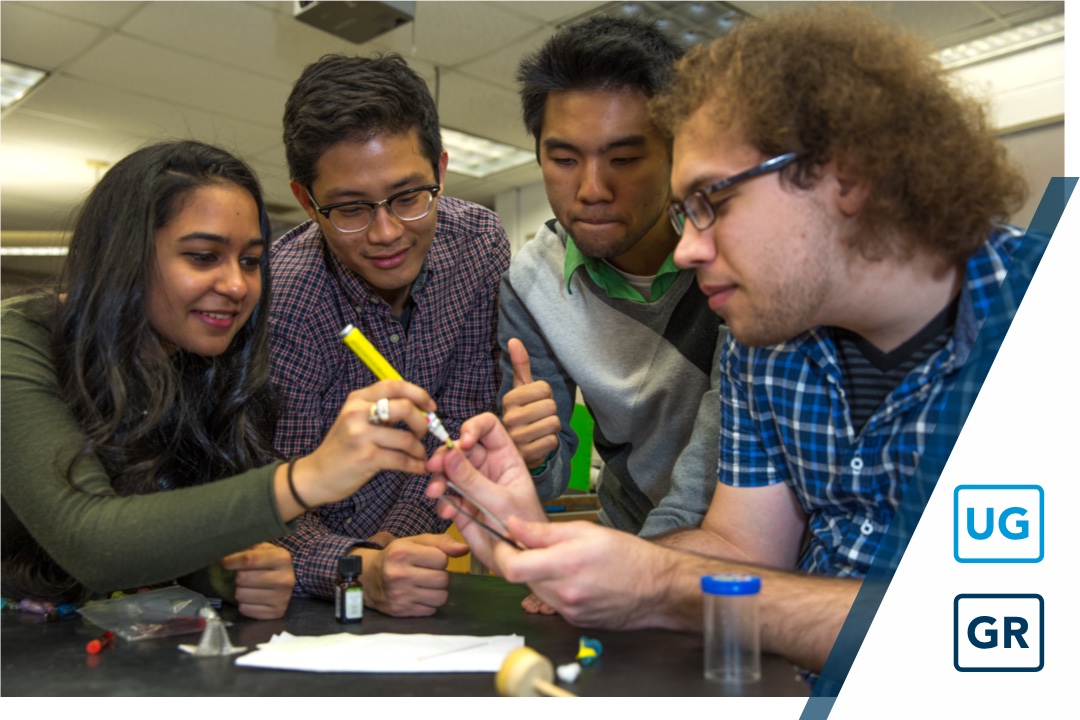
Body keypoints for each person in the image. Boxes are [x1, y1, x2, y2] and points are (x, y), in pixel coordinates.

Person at [427, 5, 1028, 673]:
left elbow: (1005, 626)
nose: (684, 249)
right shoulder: (763, 343)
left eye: (713, 200)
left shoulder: (1035, 319)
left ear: (848, 175)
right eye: (686, 211)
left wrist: (659, 583)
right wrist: (561, 551)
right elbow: (742, 546)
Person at [1, 141, 438, 619]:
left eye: (250, 261)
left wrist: (228, 572)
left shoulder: (200, 365)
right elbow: (93, 541)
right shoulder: (17, 343)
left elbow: (158, 523)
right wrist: (305, 478)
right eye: (204, 256)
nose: (236, 285)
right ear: (124, 256)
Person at [271, 53, 510, 616]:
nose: (386, 233)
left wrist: (391, 547)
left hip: (413, 552)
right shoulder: (284, 295)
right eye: (350, 208)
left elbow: (456, 424)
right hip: (303, 581)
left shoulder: (479, 247)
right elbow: (269, 486)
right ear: (307, 201)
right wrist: (354, 566)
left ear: (442, 170)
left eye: (408, 197)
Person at [500, 15, 727, 537]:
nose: (592, 188)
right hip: (632, 535)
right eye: (562, 158)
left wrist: (633, 574)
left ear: (678, 152)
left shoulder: (729, 254)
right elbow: (545, 483)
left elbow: (718, 460)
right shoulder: (530, 282)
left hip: (743, 546)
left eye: (623, 158)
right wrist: (529, 456)